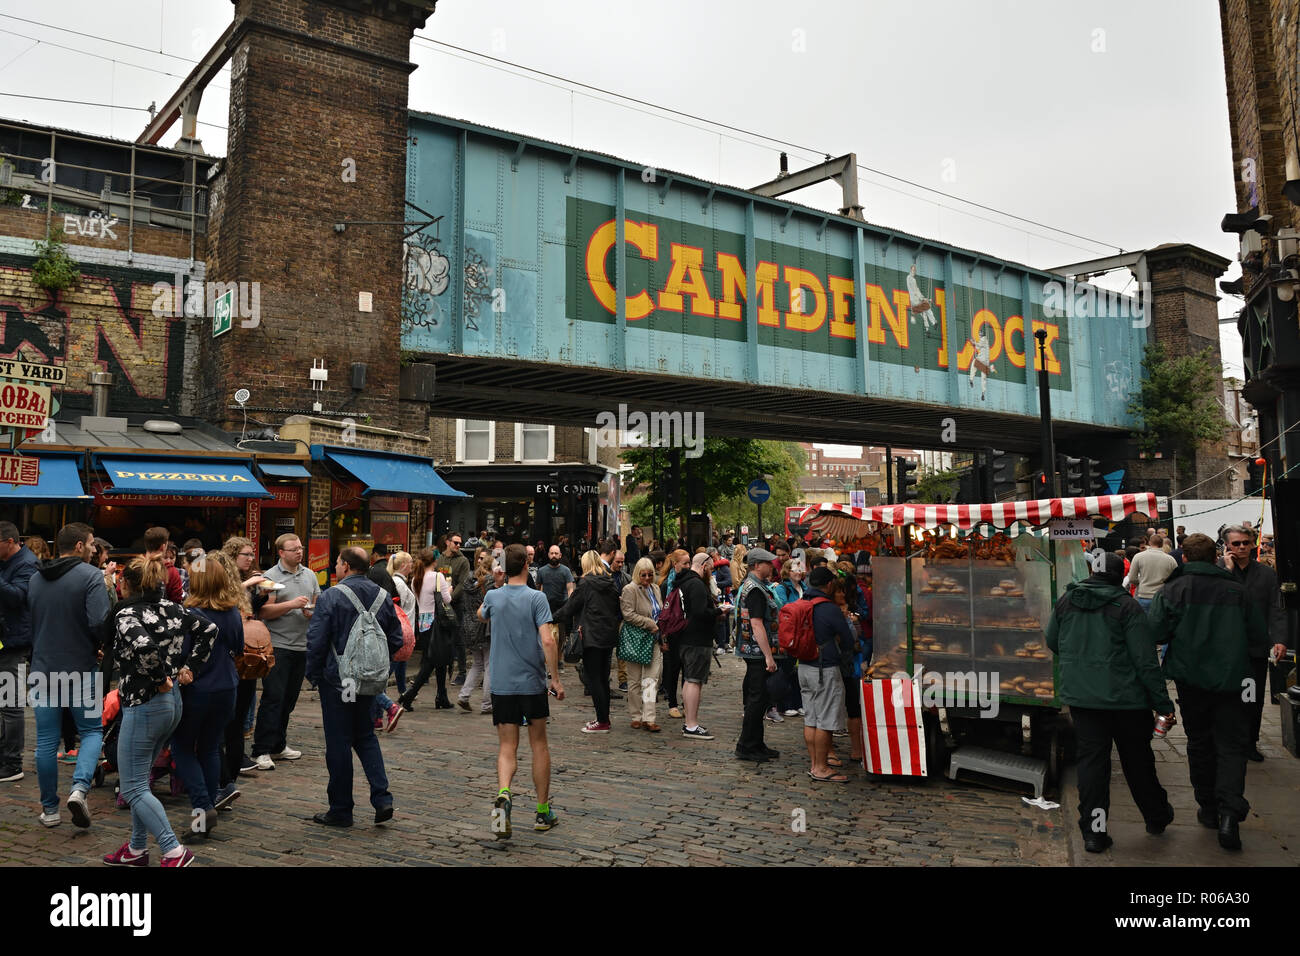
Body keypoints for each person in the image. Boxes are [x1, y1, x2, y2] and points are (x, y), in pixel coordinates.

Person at [1046, 551, 1175, 853]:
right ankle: (1156, 816)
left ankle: (1094, 831)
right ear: (1120, 576)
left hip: (1084, 699)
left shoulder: (1067, 600)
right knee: (1138, 762)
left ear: (1092, 571)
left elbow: (1053, 640)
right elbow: (1145, 661)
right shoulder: (1126, 606)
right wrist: (1163, 704)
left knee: (1092, 766)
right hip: (1126, 701)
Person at [1148, 533, 1269, 851]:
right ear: (1216, 557)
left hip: (1192, 680)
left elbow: (1156, 631)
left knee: (1200, 743)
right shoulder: (1236, 590)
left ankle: (1209, 807)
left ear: (1184, 558)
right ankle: (1230, 812)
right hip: (1234, 681)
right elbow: (1258, 634)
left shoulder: (1173, 590)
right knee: (1232, 745)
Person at [103, 556, 217, 867]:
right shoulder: (174, 608)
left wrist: (159, 678)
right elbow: (209, 630)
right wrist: (188, 668)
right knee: (140, 781)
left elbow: (145, 648)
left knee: (133, 787)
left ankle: (173, 850)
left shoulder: (126, 613)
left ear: (126, 584)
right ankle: (137, 848)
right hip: (171, 704)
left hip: (145, 705)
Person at [305, 547, 404, 827]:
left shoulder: (331, 596)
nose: (336, 566)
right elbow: (395, 638)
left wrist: (314, 675)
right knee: (365, 736)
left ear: (346, 566)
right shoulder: (383, 596)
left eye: (337, 562)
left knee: (338, 743)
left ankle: (341, 809)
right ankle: (382, 798)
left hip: (338, 681)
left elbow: (317, 639)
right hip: (369, 680)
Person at [25, 523, 109, 825]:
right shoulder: (90, 577)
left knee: (46, 741)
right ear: (77, 546)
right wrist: (100, 646)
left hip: (43, 669)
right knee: (90, 732)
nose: (94, 549)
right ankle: (79, 788)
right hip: (80, 669)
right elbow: (100, 622)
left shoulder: (35, 579)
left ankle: (49, 809)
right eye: (90, 544)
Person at [479, 543, 563, 838]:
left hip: (502, 684)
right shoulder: (536, 598)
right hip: (530, 683)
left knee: (506, 748)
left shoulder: (493, 595)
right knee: (538, 744)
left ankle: (504, 793)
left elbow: (481, 614)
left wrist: (498, 584)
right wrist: (555, 678)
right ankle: (542, 812)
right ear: (527, 565)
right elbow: (549, 641)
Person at [176, 552, 244, 833]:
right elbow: (239, 648)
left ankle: (203, 805)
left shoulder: (189, 614)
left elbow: (181, 655)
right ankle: (207, 809)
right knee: (210, 746)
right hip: (226, 686)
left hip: (198, 689)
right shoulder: (232, 612)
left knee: (182, 747)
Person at [1218, 525, 1289, 762]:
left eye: (1245, 543)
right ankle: (1228, 741)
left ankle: (1249, 741)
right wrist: (1227, 571)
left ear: (1252, 544)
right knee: (1227, 697)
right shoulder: (1218, 572)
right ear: (1226, 546)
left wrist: (1279, 639)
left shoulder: (1267, 574)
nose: (1241, 548)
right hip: (1225, 649)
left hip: (1254, 648)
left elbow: (1276, 608)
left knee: (1252, 697)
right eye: (1236, 544)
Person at [251, 534, 319, 770]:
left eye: (301, 548)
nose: (299, 552)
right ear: (281, 552)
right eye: (293, 549)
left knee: (289, 698)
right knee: (273, 697)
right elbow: (264, 612)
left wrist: (312, 611)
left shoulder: (309, 574)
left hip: (302, 645)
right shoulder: (270, 577)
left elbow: (315, 601)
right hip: (277, 644)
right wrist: (291, 605)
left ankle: (278, 745)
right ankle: (261, 749)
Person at [556, 550, 622, 733]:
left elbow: (569, 608)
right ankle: (604, 718)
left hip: (592, 636)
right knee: (602, 679)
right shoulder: (610, 583)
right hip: (608, 636)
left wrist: (549, 618)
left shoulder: (585, 583)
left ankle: (602, 721)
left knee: (593, 680)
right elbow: (617, 608)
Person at [220, 538, 268, 779]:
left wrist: (263, 594)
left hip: (247, 650)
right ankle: (228, 765)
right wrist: (249, 583)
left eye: (252, 554)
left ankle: (235, 763)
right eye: (245, 554)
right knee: (229, 713)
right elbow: (226, 605)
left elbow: (250, 611)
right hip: (230, 655)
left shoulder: (245, 581)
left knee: (241, 711)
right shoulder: (225, 580)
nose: (250, 558)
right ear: (233, 555)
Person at [800, 567, 854, 782]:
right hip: (824, 668)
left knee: (811, 718)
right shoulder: (829, 608)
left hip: (803, 667)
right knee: (825, 720)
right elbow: (848, 640)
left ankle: (815, 764)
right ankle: (821, 767)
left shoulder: (803, 603)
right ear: (829, 585)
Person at [734, 548, 780, 762]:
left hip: (754, 650)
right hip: (756, 652)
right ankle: (746, 745)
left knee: (760, 698)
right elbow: (756, 623)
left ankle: (757, 743)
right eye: (768, 563)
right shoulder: (754, 590)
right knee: (756, 699)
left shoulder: (756, 586)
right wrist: (768, 656)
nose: (772, 566)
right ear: (756, 565)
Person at [0, 522, 38, 783]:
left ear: (10, 541)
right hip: (5, 639)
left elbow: (17, 597)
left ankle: (13, 764)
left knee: (11, 705)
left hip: (15, 643)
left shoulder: (27, 563)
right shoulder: (9, 562)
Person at [400, 548, 455, 710]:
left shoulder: (415, 579)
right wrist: (449, 589)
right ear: (434, 562)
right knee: (432, 661)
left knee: (438, 659)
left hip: (423, 622)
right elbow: (447, 600)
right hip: (437, 622)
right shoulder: (438, 577)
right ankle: (409, 694)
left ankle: (442, 696)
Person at [674, 552, 721, 740]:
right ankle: (691, 724)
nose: (712, 571)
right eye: (711, 567)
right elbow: (700, 612)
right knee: (694, 680)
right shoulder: (697, 584)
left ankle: (690, 722)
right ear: (704, 565)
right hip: (697, 639)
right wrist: (719, 611)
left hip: (686, 638)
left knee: (689, 679)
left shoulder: (684, 581)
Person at [620, 557, 663, 732]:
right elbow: (627, 614)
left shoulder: (656, 588)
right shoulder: (630, 590)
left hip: (654, 640)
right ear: (638, 574)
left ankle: (649, 717)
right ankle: (636, 715)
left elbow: (660, 611)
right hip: (636, 639)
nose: (647, 578)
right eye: (643, 575)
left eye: (650, 575)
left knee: (652, 679)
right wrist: (649, 623)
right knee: (635, 680)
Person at [458, 552, 495, 713]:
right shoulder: (489, 583)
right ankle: (487, 704)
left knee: (477, 663)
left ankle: (464, 695)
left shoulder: (468, 580)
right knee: (488, 665)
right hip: (483, 626)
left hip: (468, 625)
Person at [658, 549, 690, 718]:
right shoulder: (666, 584)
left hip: (686, 630)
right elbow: (662, 612)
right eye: (684, 563)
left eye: (689, 563)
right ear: (675, 564)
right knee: (672, 667)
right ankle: (672, 702)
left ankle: (687, 701)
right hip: (671, 631)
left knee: (686, 667)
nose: (687, 566)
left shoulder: (690, 581)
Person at [439, 533, 472, 685]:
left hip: (456, 604)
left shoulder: (463, 561)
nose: (458, 545)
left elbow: (463, 583)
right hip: (441, 604)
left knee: (458, 638)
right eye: (456, 543)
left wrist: (450, 598)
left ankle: (462, 672)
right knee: (442, 637)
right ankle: (443, 669)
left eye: (460, 543)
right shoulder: (440, 559)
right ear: (447, 542)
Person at [536, 544, 576, 668]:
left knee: (561, 637)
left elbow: (570, 589)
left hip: (562, 607)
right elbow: (539, 589)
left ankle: (559, 660)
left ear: (560, 555)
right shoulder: (542, 571)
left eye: (556, 553)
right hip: (547, 607)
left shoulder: (565, 570)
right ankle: (549, 660)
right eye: (551, 553)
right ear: (548, 555)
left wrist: (570, 605)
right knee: (549, 637)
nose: (554, 555)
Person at [387, 551, 417, 699]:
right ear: (404, 565)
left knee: (402, 659)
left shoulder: (400, 582)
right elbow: (400, 606)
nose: (412, 565)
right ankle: (381, 686)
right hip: (403, 627)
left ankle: (403, 690)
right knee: (395, 659)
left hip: (405, 626)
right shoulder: (399, 584)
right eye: (410, 562)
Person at [1123, 534, 1177, 611]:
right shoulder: (1170, 559)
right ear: (1162, 544)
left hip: (1144, 595)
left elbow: (1132, 578)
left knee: (1145, 621)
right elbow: (1175, 579)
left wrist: (1142, 582)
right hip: (1163, 596)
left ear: (1149, 543)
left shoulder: (1138, 556)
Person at [142, 527, 184, 602]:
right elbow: (176, 601)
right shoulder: (172, 572)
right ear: (163, 547)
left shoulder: (133, 566)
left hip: (136, 612)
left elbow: (122, 595)